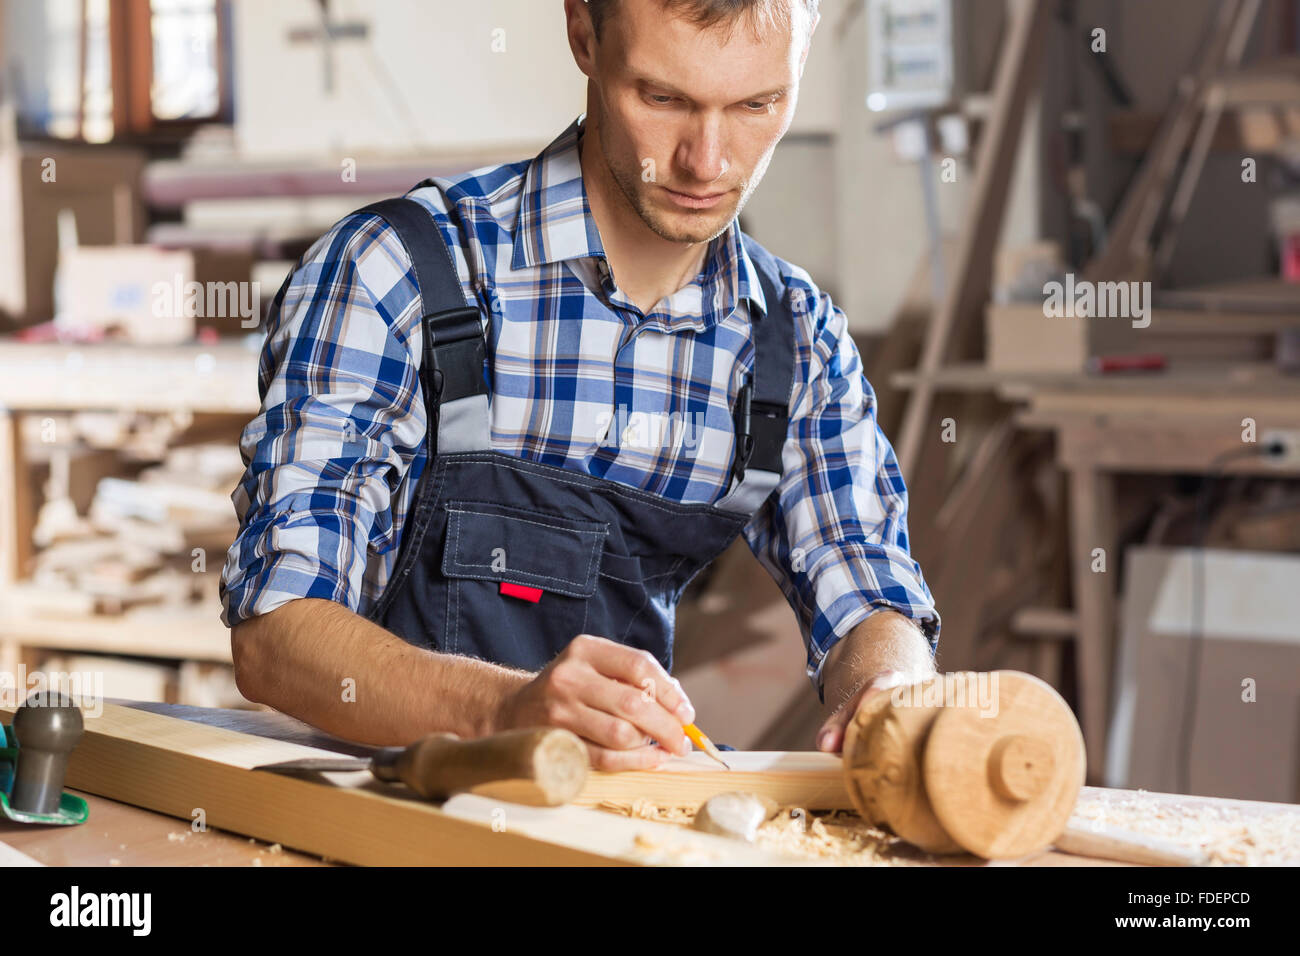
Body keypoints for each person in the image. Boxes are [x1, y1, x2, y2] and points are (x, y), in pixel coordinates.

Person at [220, 0, 939, 770]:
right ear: (583, 36)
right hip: (391, 818)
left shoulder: (793, 340)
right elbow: (276, 633)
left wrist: (889, 693)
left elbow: (867, 586)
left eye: (757, 105)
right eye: (663, 98)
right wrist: (501, 710)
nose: (706, 160)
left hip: (611, 823)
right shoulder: (397, 272)